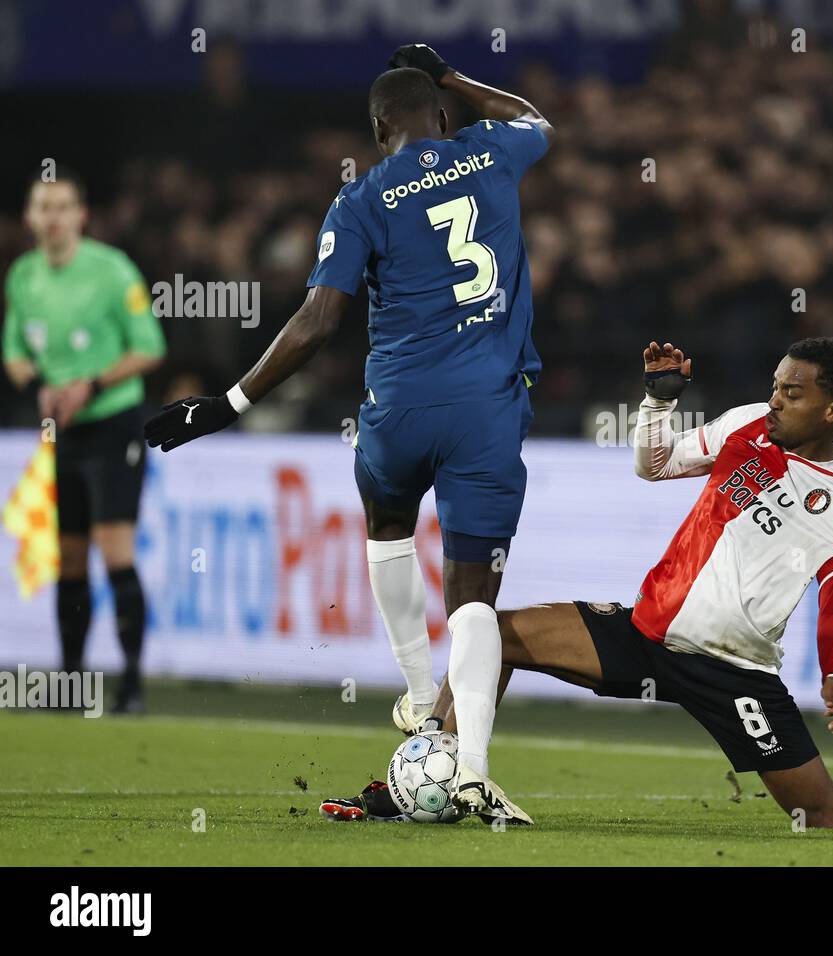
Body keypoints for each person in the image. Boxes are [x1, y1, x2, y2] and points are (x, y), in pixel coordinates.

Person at [320, 338, 833, 831]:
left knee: (823, 814)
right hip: (645, 633)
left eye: (794, 392)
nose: (776, 399)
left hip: (733, 674)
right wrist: (656, 403)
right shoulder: (745, 428)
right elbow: (657, 465)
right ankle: (429, 778)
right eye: (776, 384)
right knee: (490, 633)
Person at [144, 46, 554, 822]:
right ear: (438, 116)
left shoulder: (360, 200)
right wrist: (457, 78)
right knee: (473, 597)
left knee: (388, 527)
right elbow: (538, 119)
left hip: (397, 407)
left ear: (375, 129)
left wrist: (227, 403)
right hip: (487, 411)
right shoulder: (489, 148)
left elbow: (318, 322)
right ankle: (471, 771)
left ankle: (413, 688)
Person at [3, 172, 167, 713]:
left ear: (81, 215)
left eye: (63, 206)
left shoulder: (112, 270)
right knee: (69, 558)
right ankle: (71, 684)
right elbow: (15, 351)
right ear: (30, 217)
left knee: (114, 547)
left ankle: (133, 685)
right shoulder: (23, 276)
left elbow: (149, 347)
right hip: (63, 433)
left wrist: (90, 385)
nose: (52, 216)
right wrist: (38, 386)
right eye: (42, 206)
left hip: (113, 425)